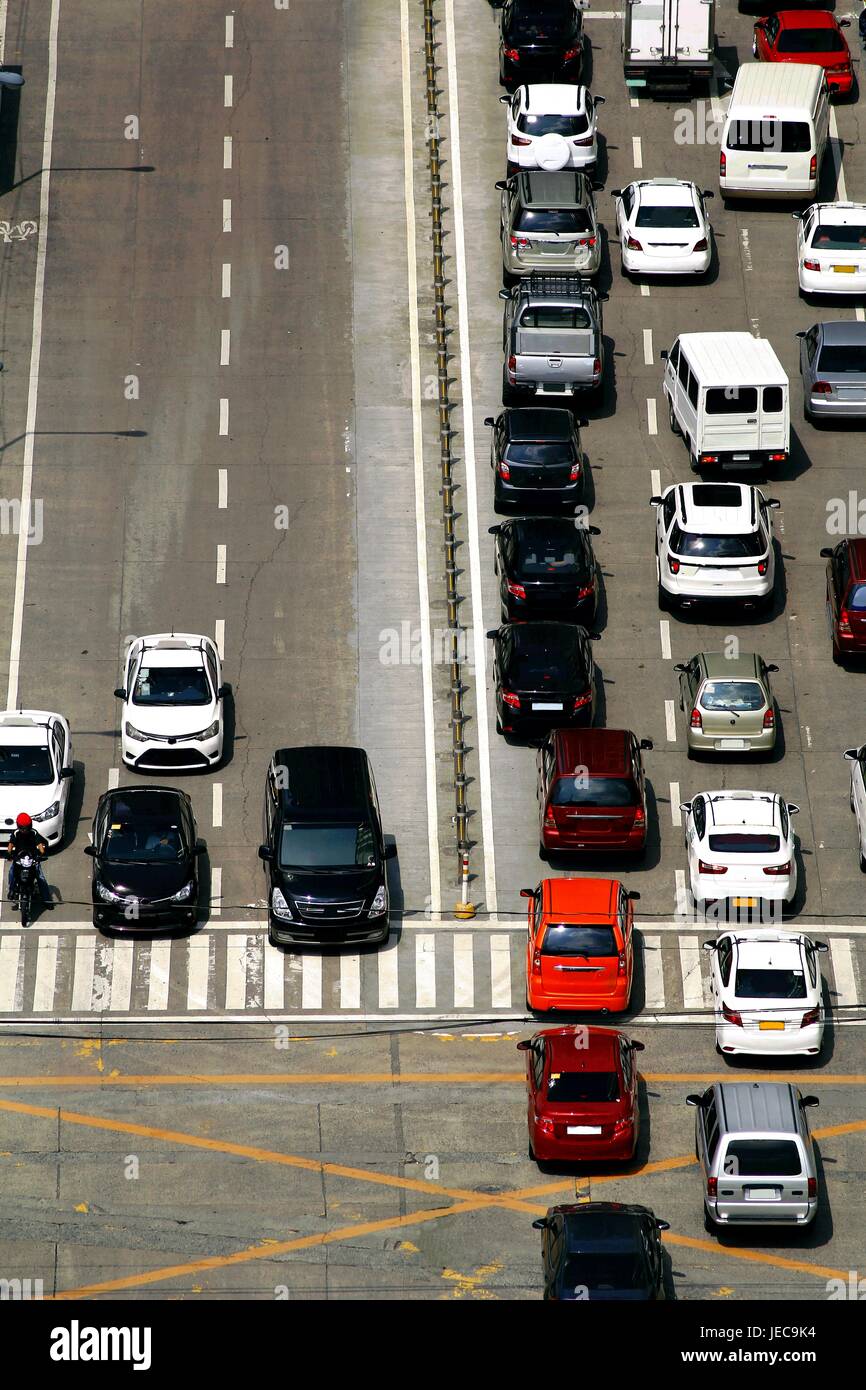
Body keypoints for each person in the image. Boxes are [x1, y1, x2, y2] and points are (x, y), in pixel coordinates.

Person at [6, 812, 51, 906]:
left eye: (27, 827)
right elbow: (11, 843)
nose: (25, 830)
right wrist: (9, 853)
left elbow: (39, 844)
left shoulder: (34, 833)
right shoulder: (16, 833)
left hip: (33, 858)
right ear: (18, 826)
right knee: (11, 873)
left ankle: (47, 900)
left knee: (40, 877)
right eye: (23, 828)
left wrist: (42, 853)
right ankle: (12, 890)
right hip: (19, 858)